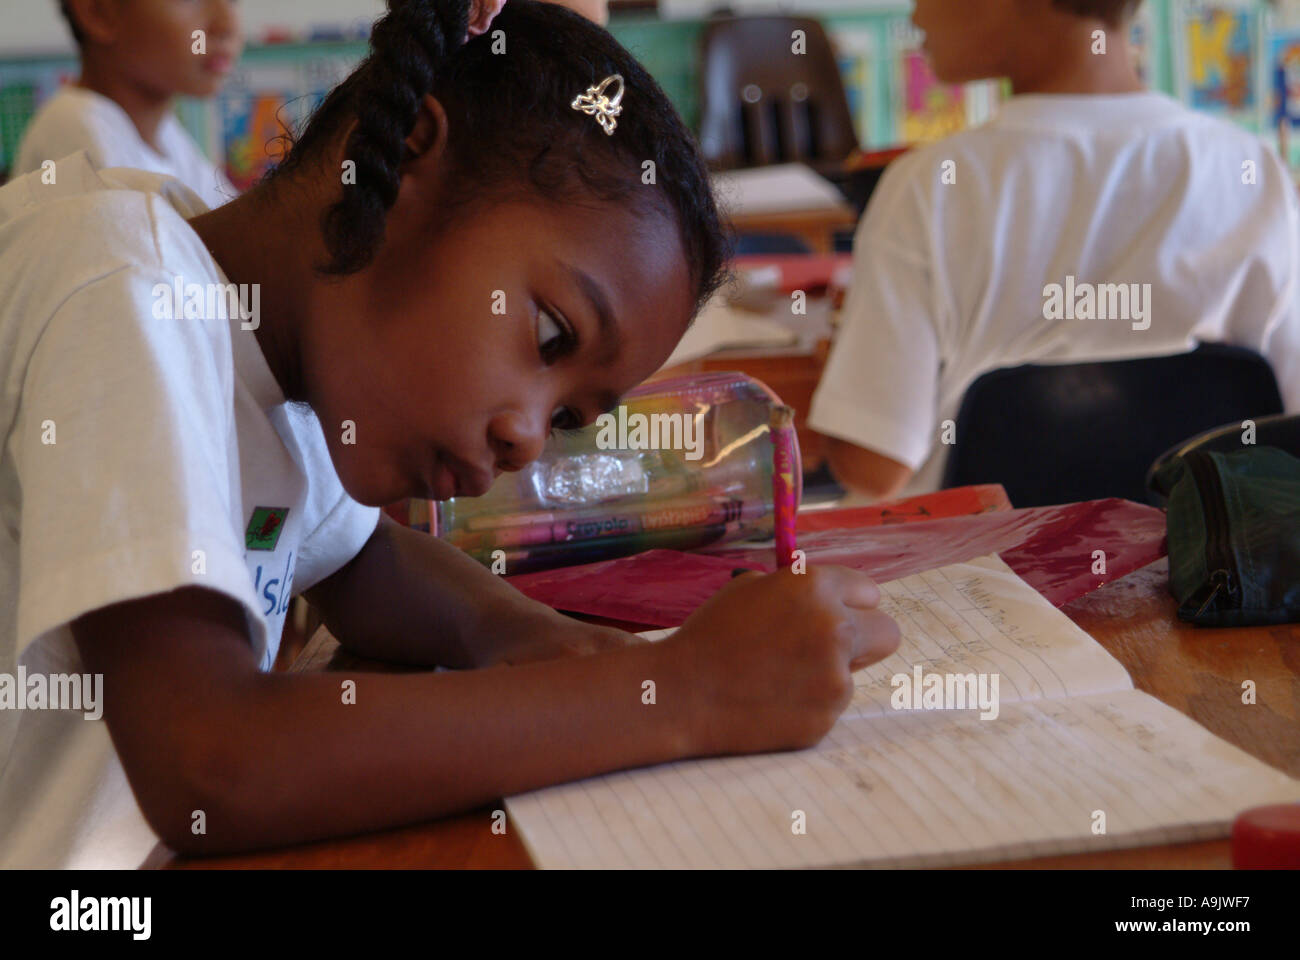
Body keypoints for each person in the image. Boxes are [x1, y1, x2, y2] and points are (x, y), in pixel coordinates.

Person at [0, 0, 900, 868]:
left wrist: (543, 639)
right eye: (550, 334)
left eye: (569, 419)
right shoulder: (128, 289)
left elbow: (361, 564)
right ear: (406, 158)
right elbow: (212, 761)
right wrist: (685, 695)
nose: (527, 443)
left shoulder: (280, 371)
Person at [810, 0, 1300, 501]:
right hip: (1193, 568)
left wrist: (831, 393)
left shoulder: (927, 187)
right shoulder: (1253, 169)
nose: (915, 18)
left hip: (972, 571)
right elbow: (1287, 421)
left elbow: (875, 466)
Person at [14, 0, 243, 208]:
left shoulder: (167, 136)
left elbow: (234, 225)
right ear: (98, 12)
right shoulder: (75, 131)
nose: (225, 26)